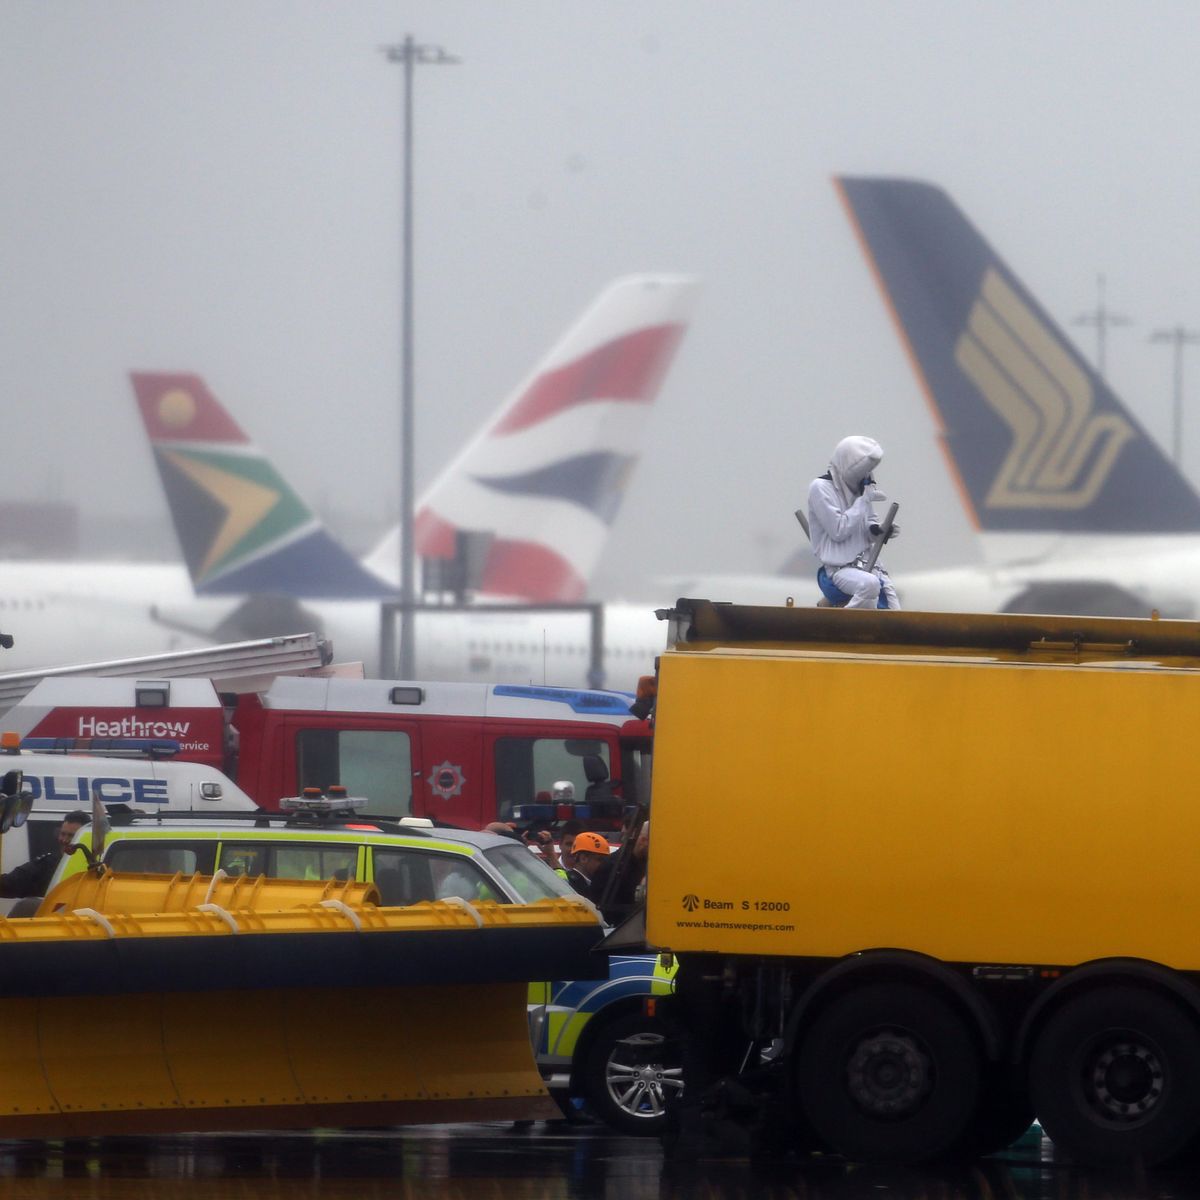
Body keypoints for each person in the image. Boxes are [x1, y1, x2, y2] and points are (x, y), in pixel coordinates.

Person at [807, 434, 900, 610]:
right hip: (839, 571)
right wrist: (864, 500)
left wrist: (879, 530)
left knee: (893, 605)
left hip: (868, 565)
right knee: (869, 585)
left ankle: (884, 633)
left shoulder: (860, 491)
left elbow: (868, 523)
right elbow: (839, 531)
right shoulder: (820, 488)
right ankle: (843, 623)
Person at [0, 810, 88, 900]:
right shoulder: (46, 865)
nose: (64, 840)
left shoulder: (96, 865)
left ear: (85, 837)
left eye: (71, 836)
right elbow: (10, 883)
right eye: (62, 834)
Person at [564, 830, 609, 899]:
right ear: (583, 858)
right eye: (599, 859)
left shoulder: (594, 884)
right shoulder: (570, 885)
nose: (603, 864)